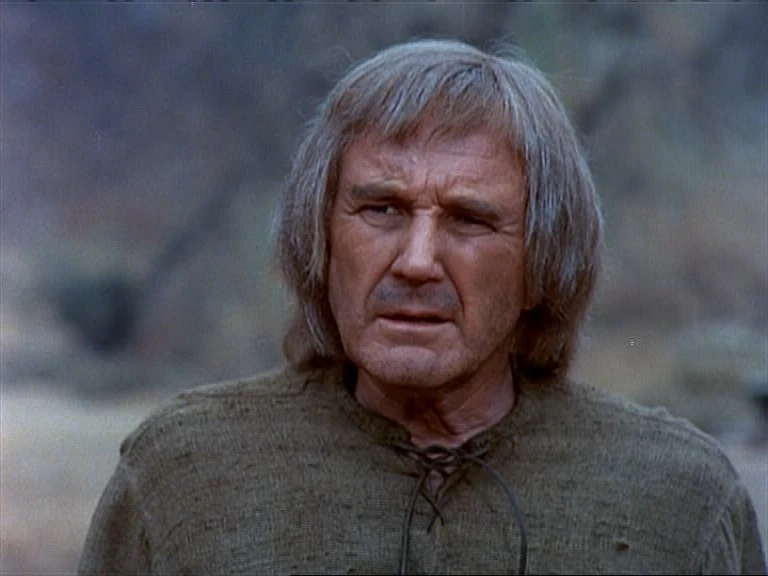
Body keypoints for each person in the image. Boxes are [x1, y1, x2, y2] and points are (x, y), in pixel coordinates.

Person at [79, 39, 767, 575]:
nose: (416, 261)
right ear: (320, 237)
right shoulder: (184, 474)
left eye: (470, 220)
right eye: (380, 209)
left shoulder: (678, 500)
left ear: (541, 262)